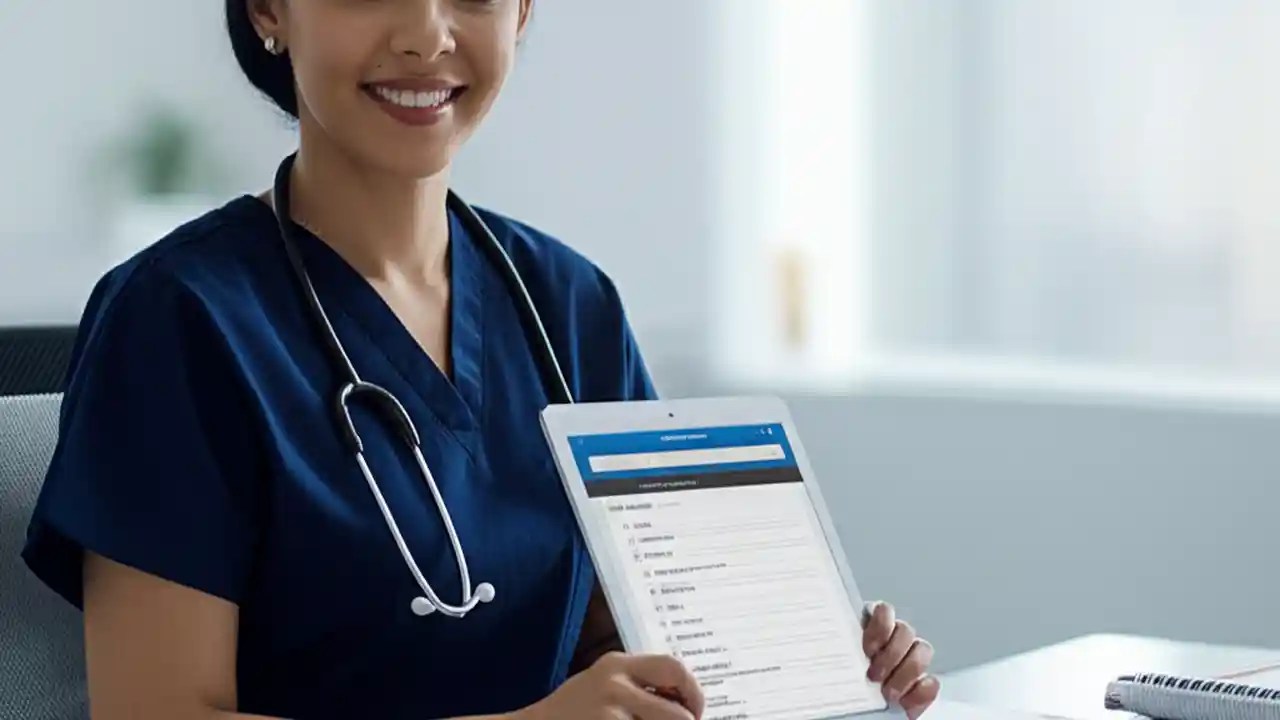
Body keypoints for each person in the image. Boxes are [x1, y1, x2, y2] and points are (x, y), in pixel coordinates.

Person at [21, 1, 940, 718]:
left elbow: (631, 647)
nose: (427, 36)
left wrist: (803, 656)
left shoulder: (570, 304)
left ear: (523, 15)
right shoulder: (179, 321)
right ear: (270, 12)